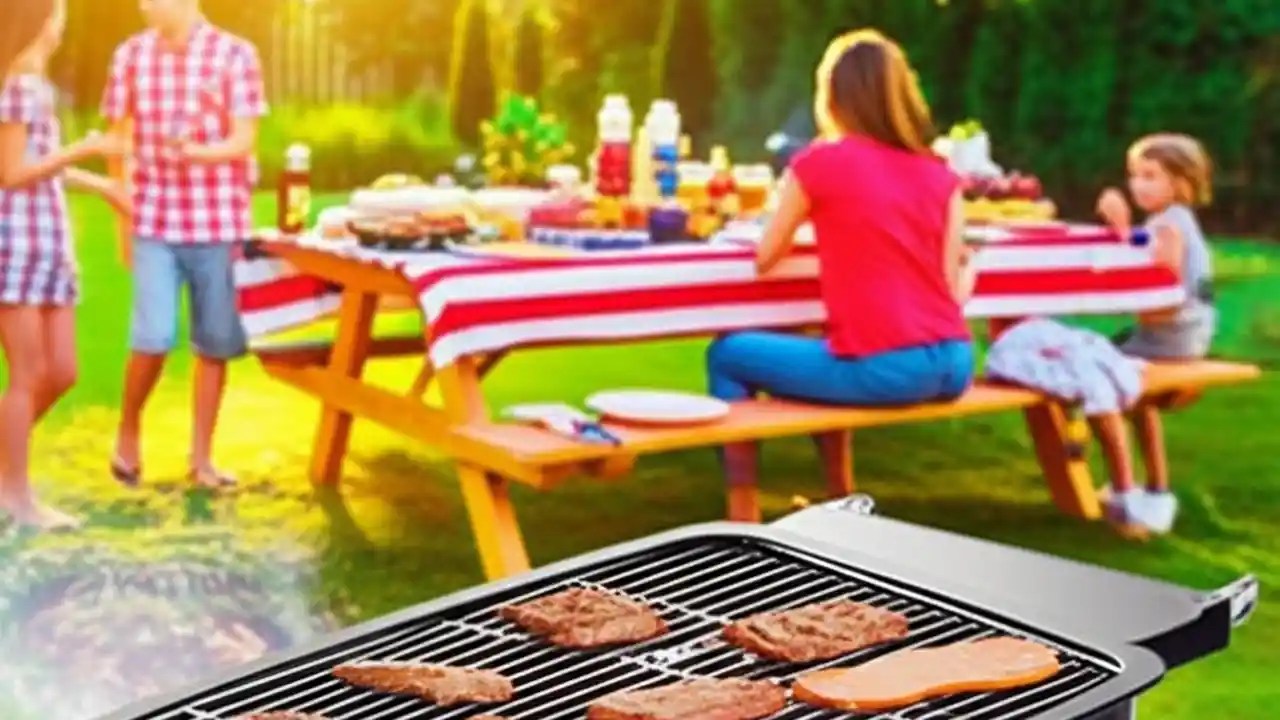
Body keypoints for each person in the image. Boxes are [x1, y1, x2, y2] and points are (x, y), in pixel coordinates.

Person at [707, 30, 978, 520]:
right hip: (955, 362)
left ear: (830, 96)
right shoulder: (939, 173)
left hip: (889, 370)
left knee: (728, 352)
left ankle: (741, 513)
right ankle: (839, 495)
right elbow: (949, 280)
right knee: (826, 342)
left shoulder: (819, 164)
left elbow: (766, 255)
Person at [101, 0, 268, 489]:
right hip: (154, 219)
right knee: (152, 337)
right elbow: (117, 143)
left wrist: (198, 153)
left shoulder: (235, 54)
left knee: (214, 343)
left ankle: (202, 460)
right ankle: (128, 432)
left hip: (218, 221)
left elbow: (244, 139)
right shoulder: (130, 55)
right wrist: (121, 224)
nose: (147, 5)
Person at [1, 0, 130, 529]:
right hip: (17, 247)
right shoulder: (15, 87)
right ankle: (17, 497)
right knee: (29, 374)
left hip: (50, 244)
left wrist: (97, 183)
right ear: (39, 22)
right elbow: (11, 174)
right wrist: (84, 150)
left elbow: (36, 165)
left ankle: (7, 474)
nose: (63, 23)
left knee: (63, 371)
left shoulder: (32, 85)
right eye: (58, 13)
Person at [1088, 133, 1218, 534]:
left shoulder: (1167, 226)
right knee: (1131, 392)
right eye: (1134, 175)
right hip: (1186, 335)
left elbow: (1162, 296)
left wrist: (1120, 228)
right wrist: (1126, 231)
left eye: (1150, 176)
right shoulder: (1175, 221)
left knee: (1091, 378)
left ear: (1180, 183)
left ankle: (1126, 494)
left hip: (1169, 336)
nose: (1138, 185)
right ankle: (1156, 491)